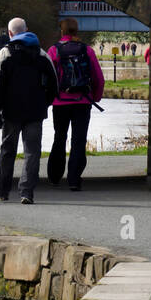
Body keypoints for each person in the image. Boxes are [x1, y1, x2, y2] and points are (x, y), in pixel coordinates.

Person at [0, 17, 58, 204]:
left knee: (7, 150)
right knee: (32, 151)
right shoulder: (42, 54)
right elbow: (54, 85)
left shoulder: (4, 54)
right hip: (35, 111)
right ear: (27, 29)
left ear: (10, 33)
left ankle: (2, 190)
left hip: (11, 111)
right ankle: (27, 192)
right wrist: (45, 103)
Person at [47, 19, 105, 191]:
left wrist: (50, 98)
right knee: (78, 140)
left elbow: (48, 78)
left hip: (60, 102)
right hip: (82, 101)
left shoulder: (54, 50)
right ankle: (74, 179)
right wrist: (95, 97)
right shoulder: (87, 50)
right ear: (76, 31)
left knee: (59, 137)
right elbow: (98, 78)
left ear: (61, 31)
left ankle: (54, 176)